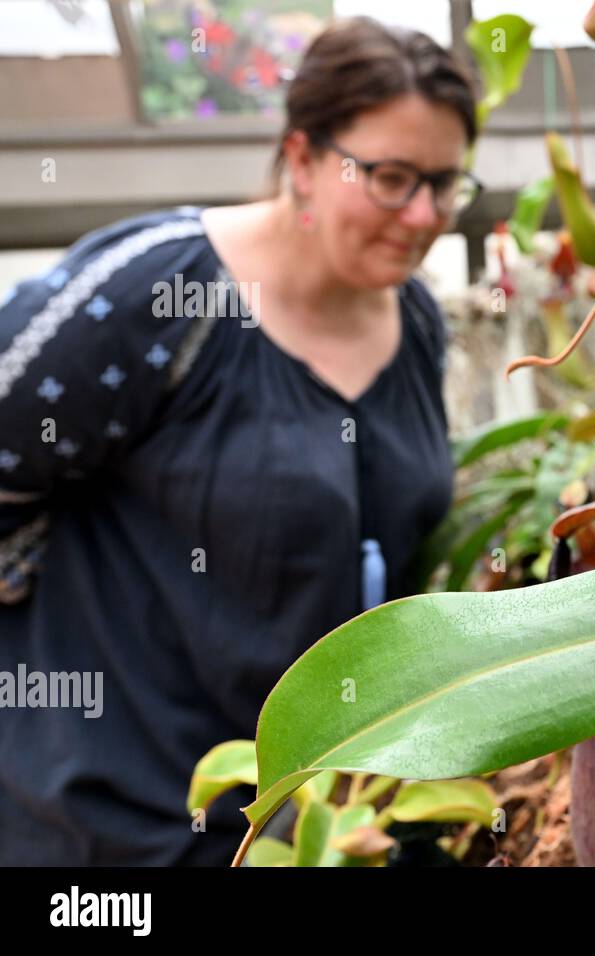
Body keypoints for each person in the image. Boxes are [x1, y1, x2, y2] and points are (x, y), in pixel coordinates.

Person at [0, 17, 479, 865]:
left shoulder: (414, 318)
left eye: (446, 185)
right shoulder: (158, 293)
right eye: (392, 178)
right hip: (118, 826)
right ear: (301, 158)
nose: (423, 214)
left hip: (319, 823)